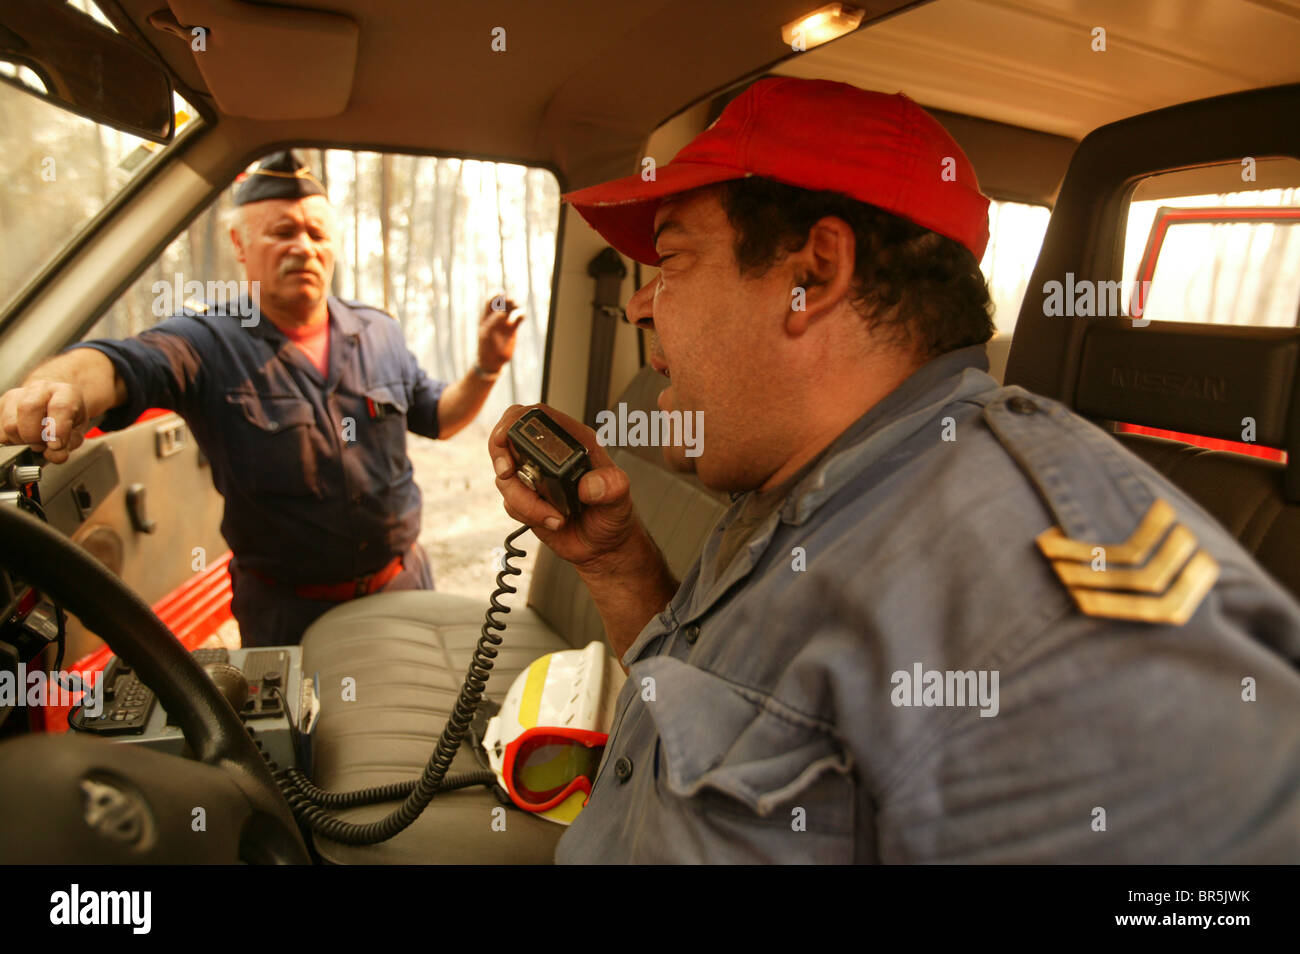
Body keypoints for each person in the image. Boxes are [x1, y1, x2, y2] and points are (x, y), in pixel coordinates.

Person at [487, 78, 1300, 862]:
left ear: (813, 276)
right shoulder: (805, 485)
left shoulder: (1031, 580)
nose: (638, 303)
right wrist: (618, 565)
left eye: (673, 259)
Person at [0, 151, 524, 647]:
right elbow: (122, 364)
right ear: (240, 243)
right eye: (282, 232)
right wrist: (60, 384)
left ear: (334, 246)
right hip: (285, 614)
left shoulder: (379, 331)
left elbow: (439, 417)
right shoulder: (206, 342)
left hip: (403, 586)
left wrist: (488, 365)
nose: (303, 246)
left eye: (317, 232)